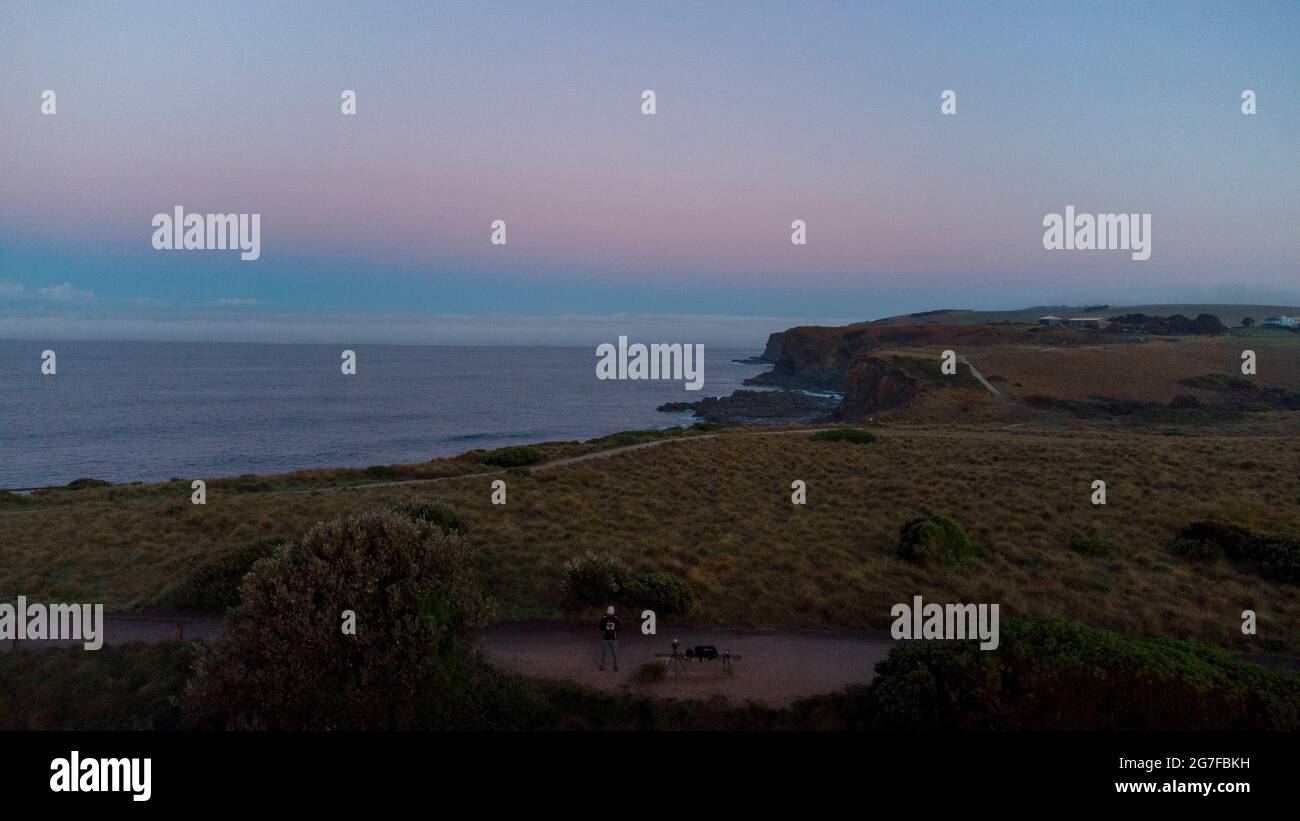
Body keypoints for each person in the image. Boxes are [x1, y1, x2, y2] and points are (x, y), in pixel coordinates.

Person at [598, 605, 620, 671]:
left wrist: (614, 627)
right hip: (605, 638)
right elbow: (600, 627)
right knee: (604, 652)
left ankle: (616, 665)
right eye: (609, 611)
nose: (610, 613)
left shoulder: (616, 618)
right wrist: (605, 627)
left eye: (611, 611)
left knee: (614, 652)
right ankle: (602, 665)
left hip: (614, 638)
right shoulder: (603, 618)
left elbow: (619, 627)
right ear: (607, 611)